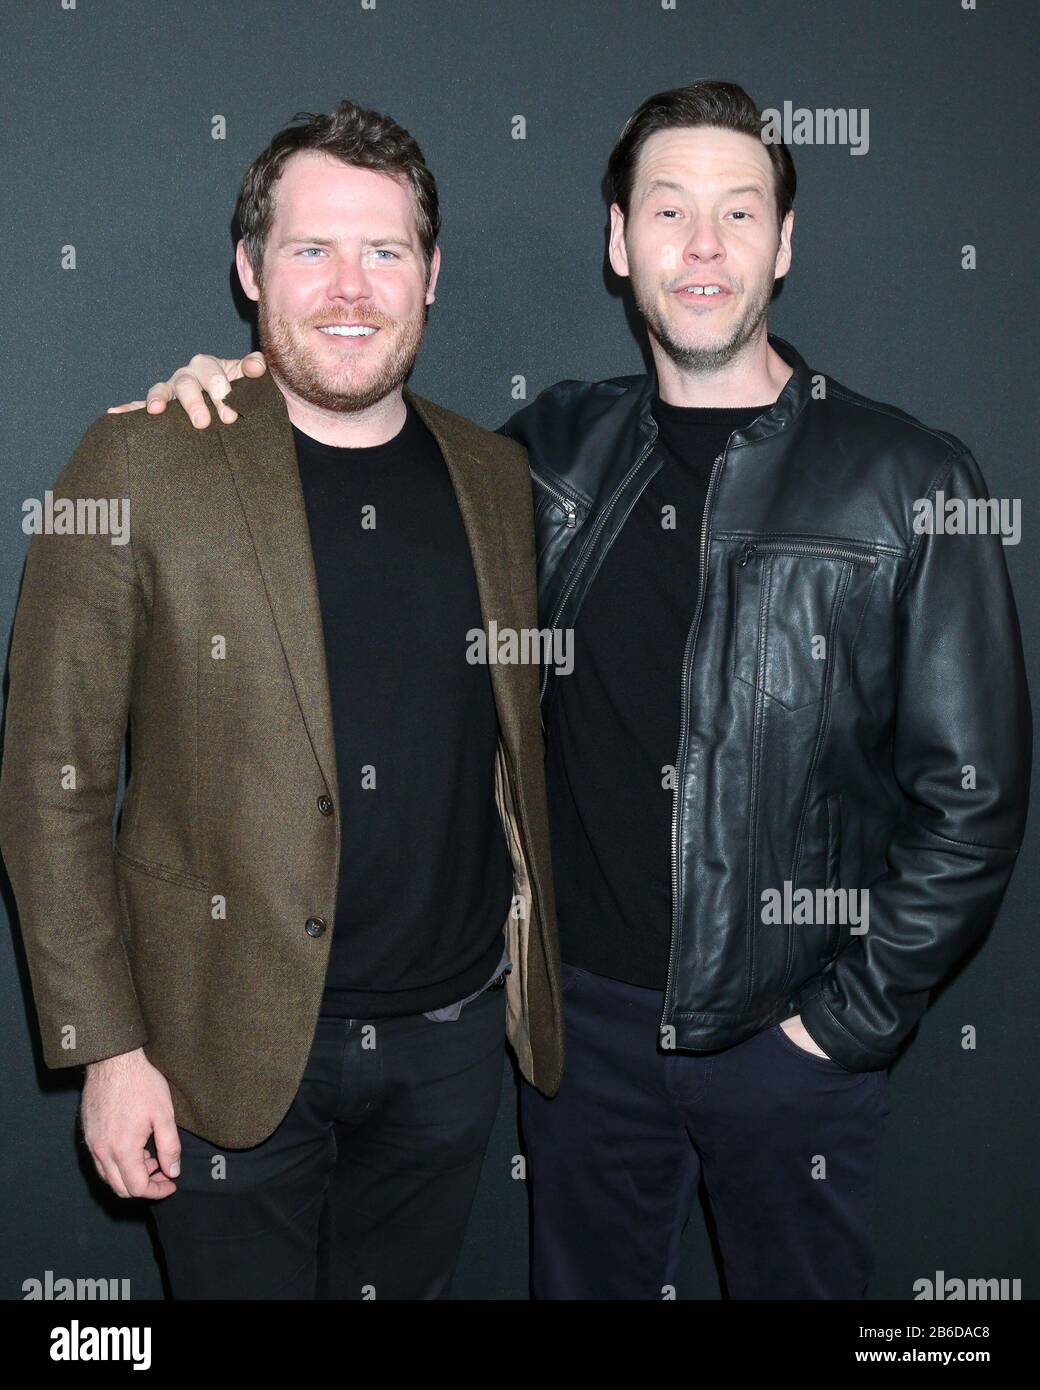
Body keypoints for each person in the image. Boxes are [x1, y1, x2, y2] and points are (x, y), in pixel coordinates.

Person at [112, 80, 1031, 1300]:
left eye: (738, 214)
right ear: (617, 241)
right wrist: (232, 392)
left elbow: (972, 799)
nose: (700, 248)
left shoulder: (906, 477)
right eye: (666, 211)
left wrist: (841, 1024)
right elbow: (358, 416)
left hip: (789, 1035)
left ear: (784, 242)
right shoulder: (542, 456)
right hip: (579, 1038)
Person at [0, 99, 563, 1300]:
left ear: (432, 273)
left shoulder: (497, 476)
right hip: (216, 1052)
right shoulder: (140, 460)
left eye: (385, 252)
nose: (349, 289)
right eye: (312, 251)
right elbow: (51, 782)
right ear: (249, 267)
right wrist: (107, 1047)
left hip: (451, 1046)